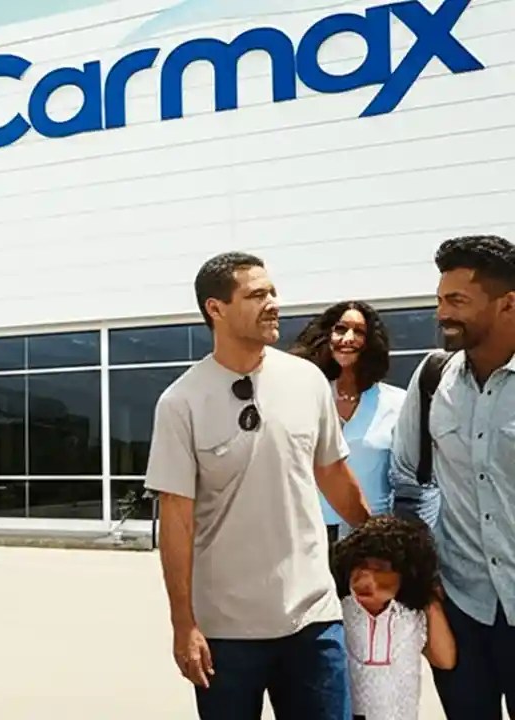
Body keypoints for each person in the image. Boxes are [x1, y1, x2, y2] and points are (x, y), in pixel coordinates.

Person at [145, 251, 372, 719]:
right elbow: (177, 519)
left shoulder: (308, 380)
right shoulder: (181, 402)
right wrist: (182, 623)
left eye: (272, 292)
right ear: (216, 309)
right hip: (225, 635)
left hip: (313, 621)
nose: (273, 303)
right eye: (256, 295)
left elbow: (333, 474)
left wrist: (383, 544)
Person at [389, 234, 515, 719]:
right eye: (440, 299)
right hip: (462, 607)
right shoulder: (433, 376)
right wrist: (429, 584)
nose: (443, 313)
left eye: (457, 300)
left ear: (508, 303)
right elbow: (408, 480)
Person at [290, 301, 406, 542]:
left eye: (359, 332)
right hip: (310, 536)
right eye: (341, 329)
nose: (348, 338)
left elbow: (410, 483)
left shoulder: (397, 403)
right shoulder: (304, 397)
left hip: (373, 536)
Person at [331, 515, 457, 719]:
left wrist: (431, 602)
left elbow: (445, 660)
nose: (365, 576)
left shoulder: (412, 617)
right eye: (359, 565)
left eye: (379, 568)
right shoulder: (337, 611)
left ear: (406, 573)